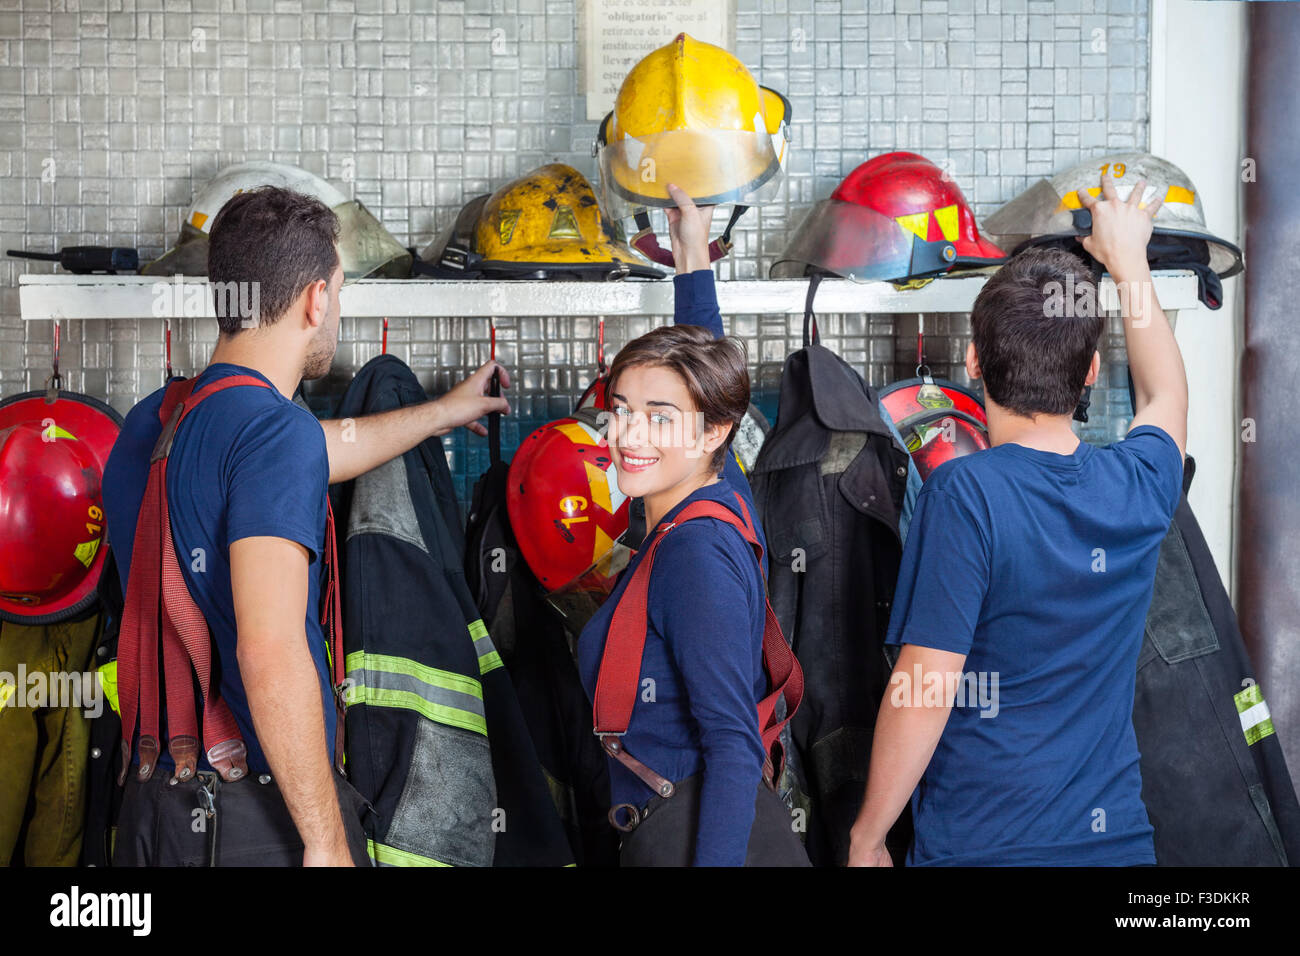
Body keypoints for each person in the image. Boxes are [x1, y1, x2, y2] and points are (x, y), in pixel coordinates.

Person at [103, 186, 510, 866]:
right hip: (253, 823)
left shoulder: (157, 419)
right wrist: (326, 843)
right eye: (340, 293)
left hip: (154, 814)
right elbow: (270, 650)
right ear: (316, 299)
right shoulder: (272, 437)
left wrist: (439, 412)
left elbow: (325, 449)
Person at [848, 173, 1187, 866]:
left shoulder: (964, 494)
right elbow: (1166, 395)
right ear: (1091, 372)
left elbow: (926, 686)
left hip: (983, 848)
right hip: (1115, 846)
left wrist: (868, 834)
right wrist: (1128, 266)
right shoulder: (1139, 481)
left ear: (973, 361)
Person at [575, 185, 808, 867]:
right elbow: (704, 363)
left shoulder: (694, 552)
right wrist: (690, 249)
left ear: (713, 433)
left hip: (703, 842)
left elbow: (734, 745)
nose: (627, 434)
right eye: (619, 409)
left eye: (657, 416)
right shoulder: (712, 490)